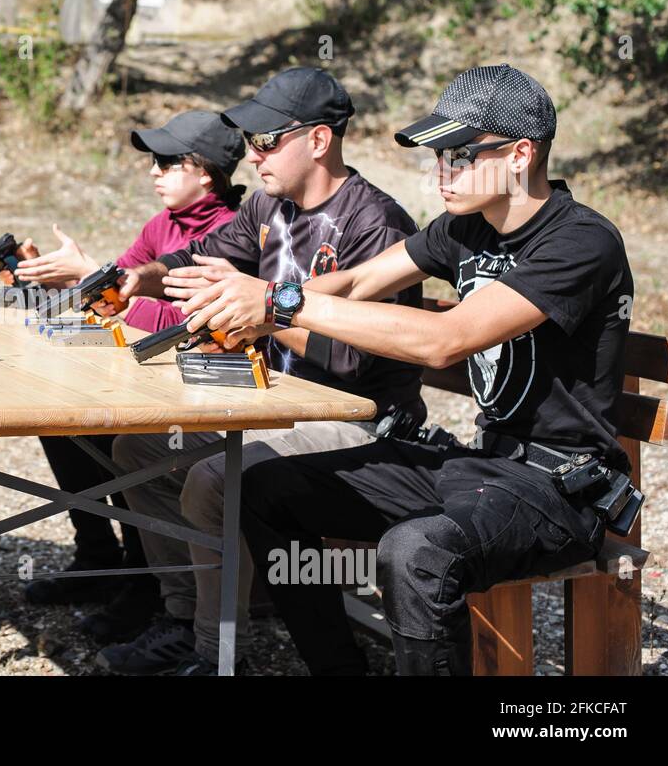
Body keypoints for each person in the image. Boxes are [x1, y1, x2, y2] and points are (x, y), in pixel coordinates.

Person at [178, 63, 629, 675]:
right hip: (483, 466)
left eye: (460, 154)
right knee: (262, 490)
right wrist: (257, 307)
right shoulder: (465, 228)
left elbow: (449, 340)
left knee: (415, 550)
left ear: (521, 154)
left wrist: (282, 302)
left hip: (561, 489)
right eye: (436, 154)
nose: (441, 170)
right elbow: (359, 279)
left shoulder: (579, 242)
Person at [100, 67, 425, 674]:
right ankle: (183, 616)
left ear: (320, 141)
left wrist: (266, 313)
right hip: (277, 402)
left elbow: (355, 359)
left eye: (267, 140)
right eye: (250, 141)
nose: (253, 156)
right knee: (138, 448)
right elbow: (203, 258)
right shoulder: (267, 205)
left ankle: (220, 654)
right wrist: (134, 276)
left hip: (361, 421)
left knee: (211, 480)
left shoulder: (374, 223)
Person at [13, 110, 246, 643]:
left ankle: (144, 580)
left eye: (166, 162)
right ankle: (101, 560)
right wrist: (78, 280)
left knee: (127, 441)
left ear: (205, 172)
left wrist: (116, 297)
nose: (153, 172)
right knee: (63, 421)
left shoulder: (233, 230)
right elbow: (113, 294)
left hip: (204, 381)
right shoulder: (160, 226)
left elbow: (194, 322)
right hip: (155, 371)